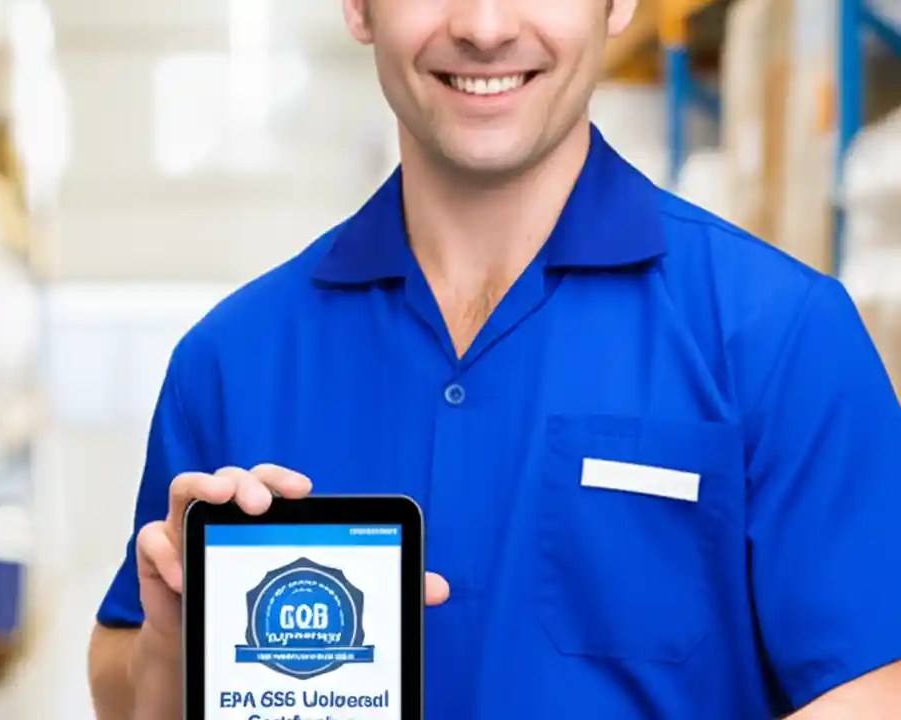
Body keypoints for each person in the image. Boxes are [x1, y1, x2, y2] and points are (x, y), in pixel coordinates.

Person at [87, 0, 901, 717]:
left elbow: (878, 684)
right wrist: (176, 639)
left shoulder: (779, 333)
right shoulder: (232, 359)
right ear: (359, 6)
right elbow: (123, 683)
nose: (484, 26)